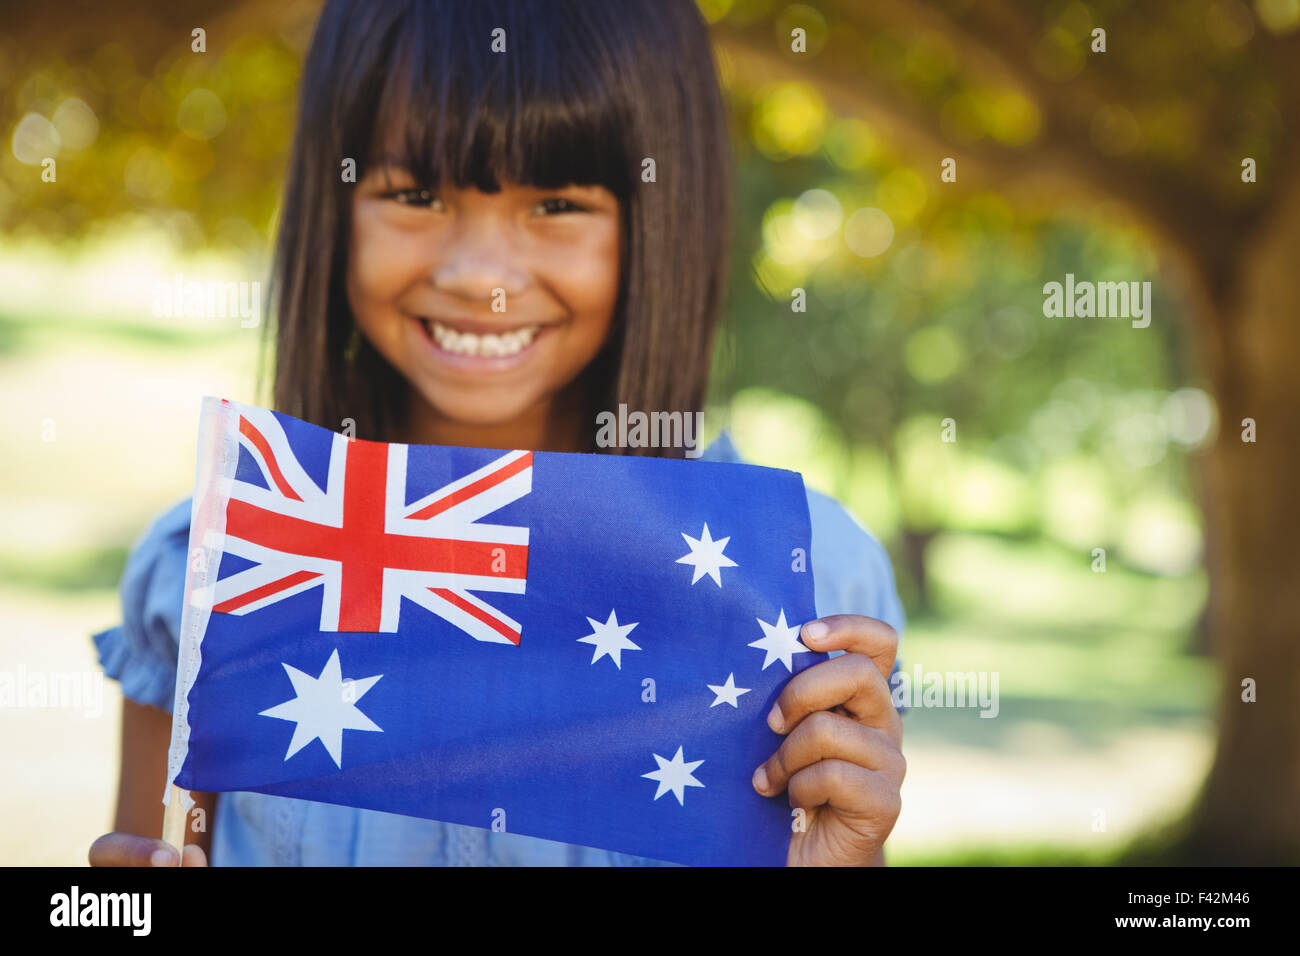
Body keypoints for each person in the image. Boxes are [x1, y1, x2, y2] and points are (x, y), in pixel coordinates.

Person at [89, 0, 906, 867]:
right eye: (414, 194)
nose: (482, 277)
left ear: (662, 219)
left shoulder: (817, 587)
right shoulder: (217, 563)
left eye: (556, 201)